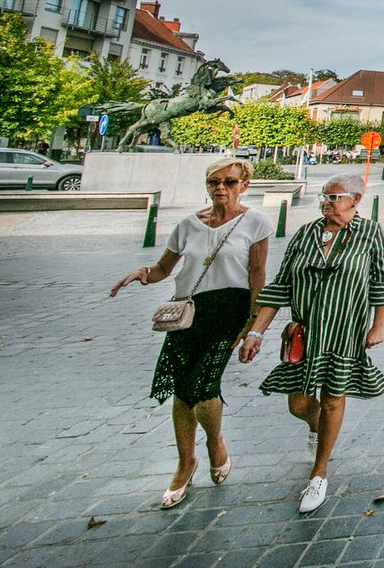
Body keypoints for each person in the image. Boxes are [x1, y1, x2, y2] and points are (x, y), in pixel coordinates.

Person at [109, 158, 273, 509]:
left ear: (244, 184)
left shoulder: (256, 221)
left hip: (229, 311)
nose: (221, 188)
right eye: (214, 181)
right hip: (189, 311)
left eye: (229, 181)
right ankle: (186, 463)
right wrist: (141, 273)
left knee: (202, 386)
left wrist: (251, 324)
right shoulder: (188, 224)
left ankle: (215, 443)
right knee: (182, 391)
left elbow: (257, 273)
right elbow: (164, 269)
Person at [239, 172, 384, 514]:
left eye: (333, 197)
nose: (326, 203)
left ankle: (319, 472)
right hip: (303, 333)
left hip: (344, 332)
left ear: (355, 200)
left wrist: (378, 326)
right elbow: (281, 285)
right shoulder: (307, 233)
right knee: (298, 404)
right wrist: (256, 331)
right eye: (324, 197)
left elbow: (382, 283)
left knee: (332, 400)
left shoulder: (371, 234)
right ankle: (316, 427)